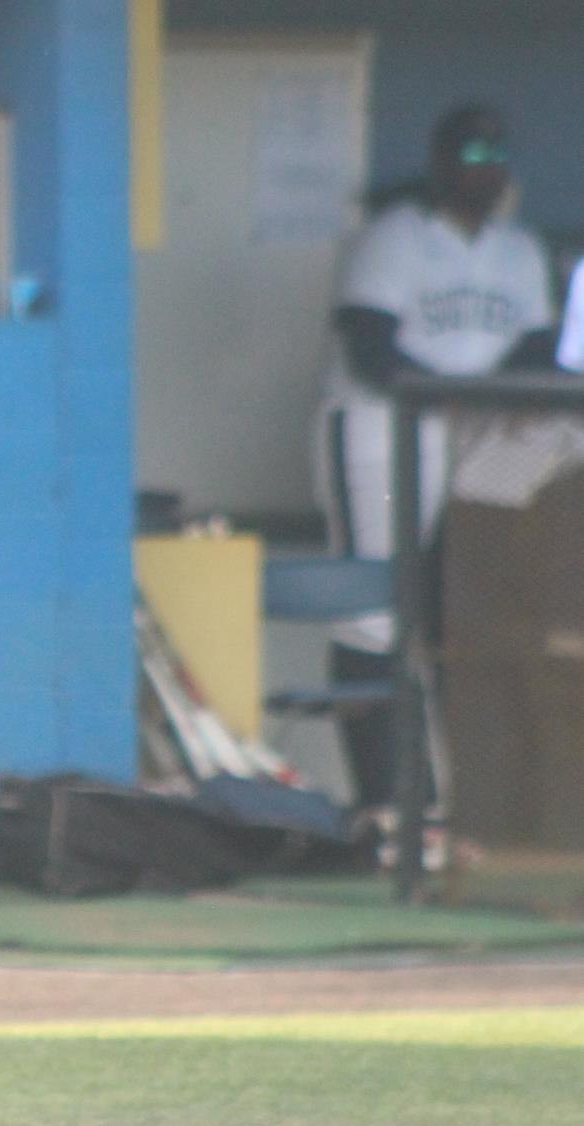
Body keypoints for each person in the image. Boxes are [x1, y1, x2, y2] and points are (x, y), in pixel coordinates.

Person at [312, 103, 559, 808]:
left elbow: (536, 347)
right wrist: (450, 395)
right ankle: (389, 806)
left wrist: (494, 401)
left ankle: (453, 804)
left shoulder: (519, 249)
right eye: (470, 154)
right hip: (382, 427)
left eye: (496, 154)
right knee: (378, 607)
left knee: (463, 607)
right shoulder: (395, 238)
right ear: (440, 162)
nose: (485, 168)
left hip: (474, 433)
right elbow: (368, 343)